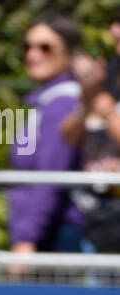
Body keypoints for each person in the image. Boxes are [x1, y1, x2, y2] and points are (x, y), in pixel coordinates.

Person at [9, 13, 84, 256]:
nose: (33, 55)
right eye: (28, 46)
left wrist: (27, 238)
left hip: (55, 235)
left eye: (46, 48)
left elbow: (49, 177)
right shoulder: (44, 101)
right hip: (46, 231)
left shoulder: (61, 103)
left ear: (70, 54)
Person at [61, 13, 120, 254]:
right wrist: (87, 99)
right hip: (93, 212)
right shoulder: (107, 74)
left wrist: (101, 105)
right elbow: (67, 137)